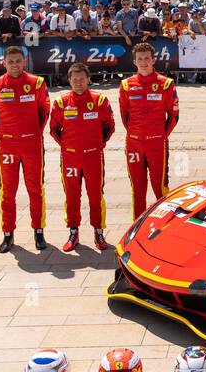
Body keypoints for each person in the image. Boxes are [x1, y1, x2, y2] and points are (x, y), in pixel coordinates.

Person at [0, 46, 49, 254]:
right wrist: (6, 135)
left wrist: (32, 134)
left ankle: (38, 231)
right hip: (7, 146)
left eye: (18, 61)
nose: (14, 65)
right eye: (10, 62)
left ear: (24, 62)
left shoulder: (37, 83)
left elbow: (44, 112)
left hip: (32, 145)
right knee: (7, 192)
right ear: (4, 63)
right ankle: (7, 233)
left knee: (35, 189)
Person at [50, 63, 116, 252]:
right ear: (69, 80)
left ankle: (98, 232)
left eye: (82, 79)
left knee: (96, 195)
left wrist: (96, 147)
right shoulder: (61, 102)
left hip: (93, 158)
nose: (78, 83)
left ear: (88, 79)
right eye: (74, 79)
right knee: (72, 196)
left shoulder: (100, 100)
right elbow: (54, 129)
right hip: (70, 159)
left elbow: (109, 127)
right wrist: (69, 148)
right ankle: (73, 232)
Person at [118, 42, 180, 218]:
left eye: (147, 58)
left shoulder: (166, 84)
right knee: (137, 188)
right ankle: (137, 226)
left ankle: (165, 224)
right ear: (134, 62)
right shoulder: (126, 85)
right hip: (134, 144)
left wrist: (160, 135)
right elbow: (124, 116)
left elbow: (174, 116)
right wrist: (136, 134)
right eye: (140, 59)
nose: (143, 62)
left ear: (153, 60)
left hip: (157, 144)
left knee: (159, 187)